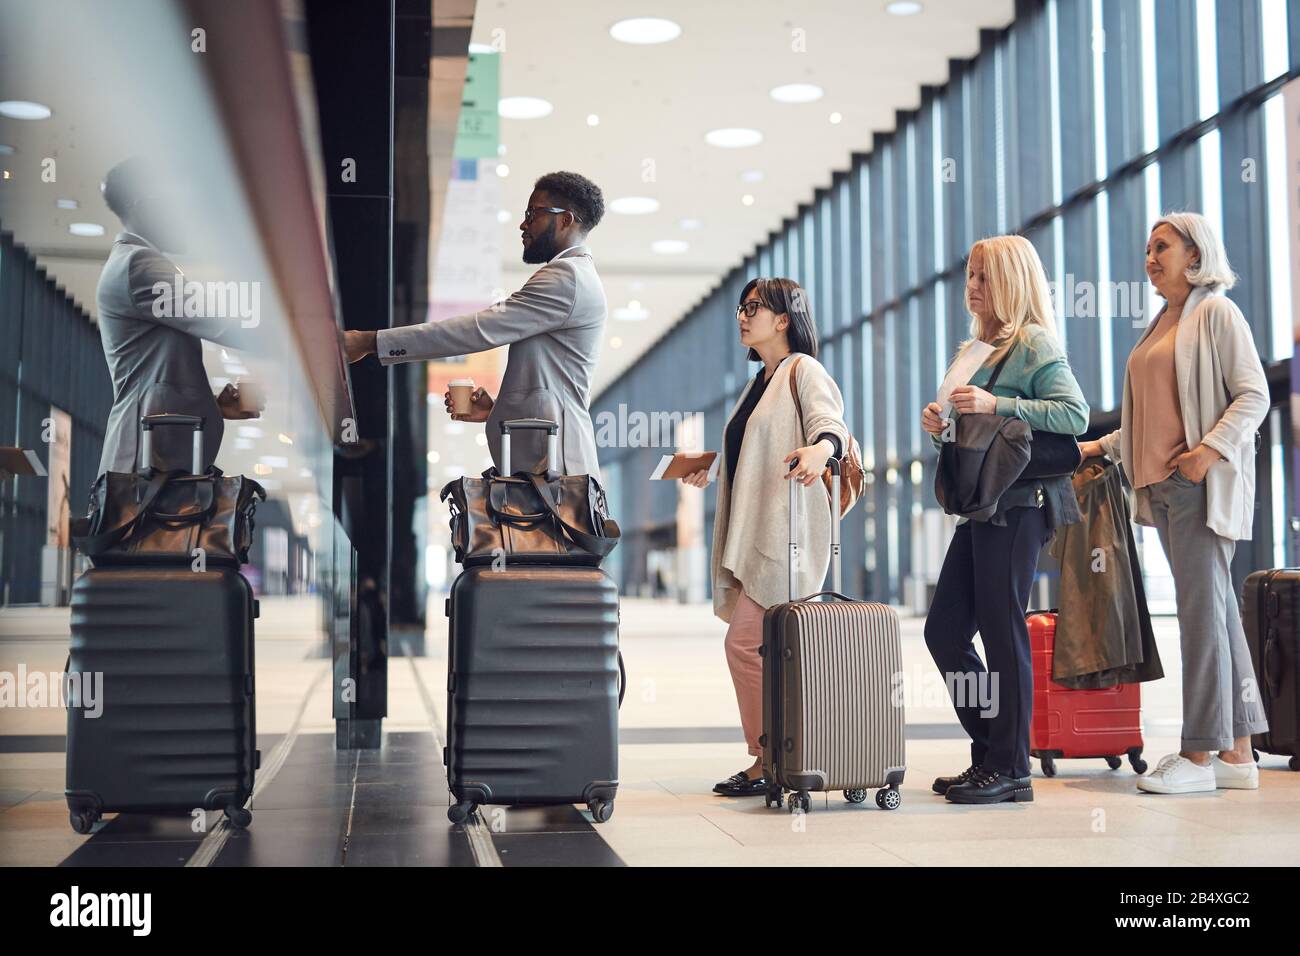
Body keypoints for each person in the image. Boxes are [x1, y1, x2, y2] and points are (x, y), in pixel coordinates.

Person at [1079, 212, 1270, 794]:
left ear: (1195, 254)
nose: (1150, 257)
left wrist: (1206, 453)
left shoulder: (1216, 312)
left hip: (1195, 486)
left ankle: (1197, 753)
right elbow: (1149, 418)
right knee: (1214, 613)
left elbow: (1254, 394)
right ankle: (1238, 753)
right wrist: (1102, 447)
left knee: (1200, 617)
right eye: (1147, 248)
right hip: (1159, 488)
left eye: (1162, 246)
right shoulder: (1163, 320)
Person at [921, 235, 1089, 805]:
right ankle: (993, 749)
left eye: (983, 278)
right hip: (981, 508)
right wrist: (940, 424)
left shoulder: (1032, 343)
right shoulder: (973, 349)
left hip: (1021, 506)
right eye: (970, 276)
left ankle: (1011, 766)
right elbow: (968, 430)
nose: (971, 288)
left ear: (1012, 282)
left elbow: (1074, 413)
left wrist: (998, 405)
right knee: (943, 631)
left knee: (1001, 628)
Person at [681, 278, 851, 797]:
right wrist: (714, 465)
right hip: (763, 528)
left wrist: (822, 450)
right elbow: (757, 447)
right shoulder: (760, 381)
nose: (742, 315)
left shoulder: (803, 370)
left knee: (745, 642)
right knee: (770, 649)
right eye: (740, 306)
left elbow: (831, 423)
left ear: (783, 319)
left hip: (789, 532)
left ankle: (768, 758)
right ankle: (782, 754)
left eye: (753, 307)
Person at [345, 171, 608, 479]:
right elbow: (553, 383)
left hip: (555, 472)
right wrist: (498, 410)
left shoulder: (567, 278)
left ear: (565, 220)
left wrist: (369, 342)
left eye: (532, 213)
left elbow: (478, 329)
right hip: (549, 469)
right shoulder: (575, 276)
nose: (523, 224)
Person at [95, 157, 260, 476]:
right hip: (144, 466)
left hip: (151, 462)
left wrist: (210, 404)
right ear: (144, 206)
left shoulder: (134, 262)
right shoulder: (137, 265)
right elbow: (225, 321)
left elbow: (154, 375)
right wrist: (297, 334)